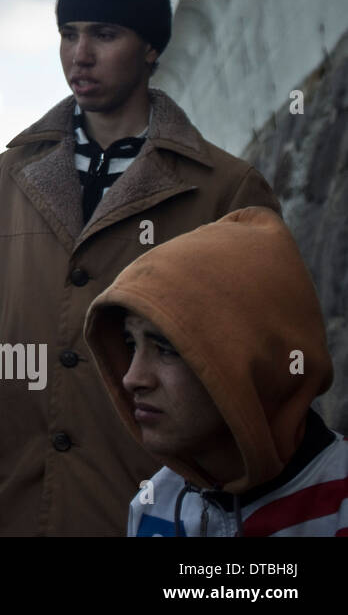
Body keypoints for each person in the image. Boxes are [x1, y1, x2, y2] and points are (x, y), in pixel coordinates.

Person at [0, 0, 282, 535]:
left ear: (151, 48)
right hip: (15, 502)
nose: (80, 55)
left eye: (104, 34)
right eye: (68, 34)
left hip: (159, 507)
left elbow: (254, 362)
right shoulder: (3, 179)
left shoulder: (226, 190)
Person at [85, 207, 347, 536]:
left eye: (166, 349)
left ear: (252, 359)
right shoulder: (154, 506)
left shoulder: (339, 507)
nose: (132, 378)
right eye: (130, 344)